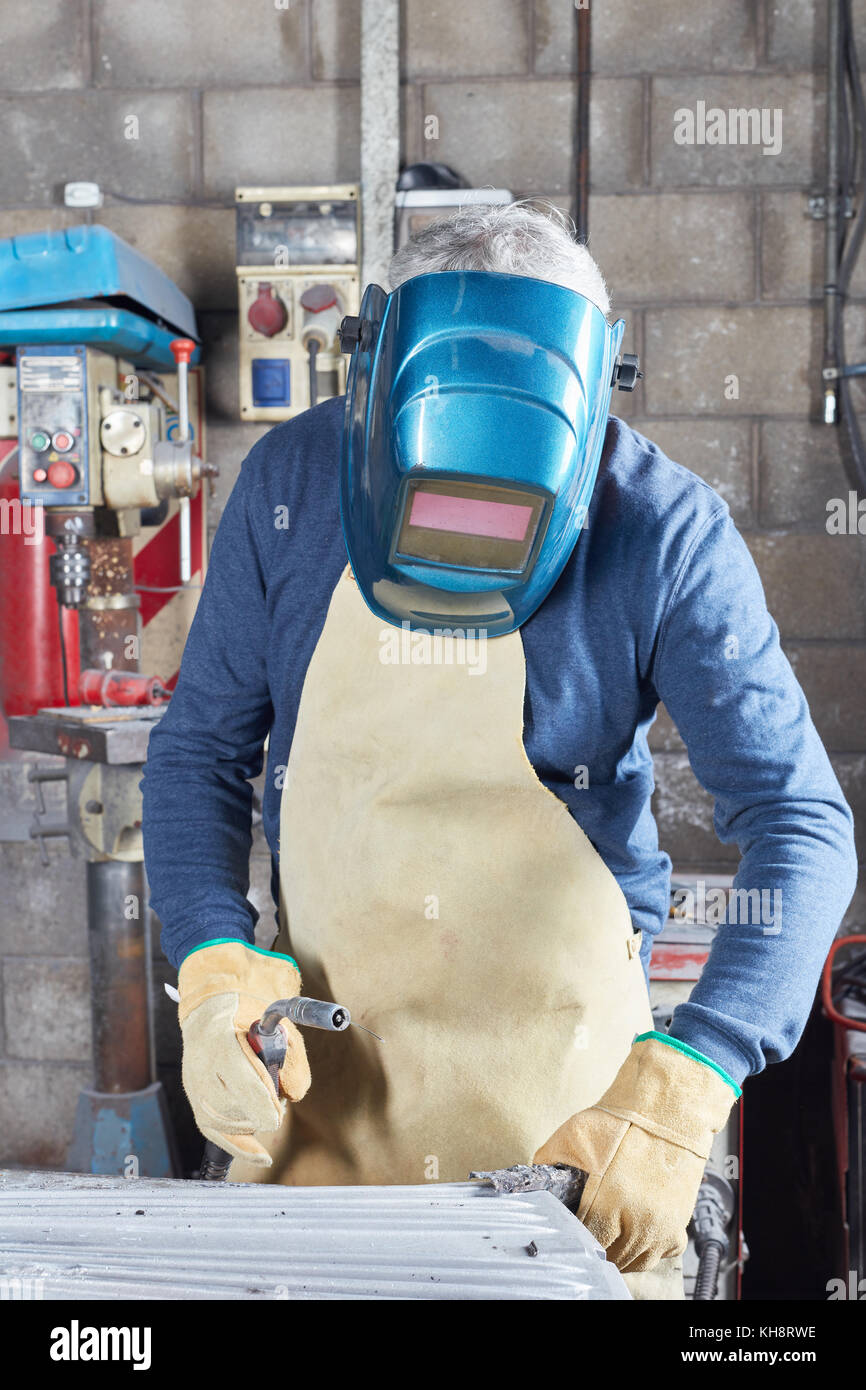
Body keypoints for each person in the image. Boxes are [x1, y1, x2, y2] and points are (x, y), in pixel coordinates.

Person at [142, 203, 857, 1300]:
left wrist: (692, 1075)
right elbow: (197, 752)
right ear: (372, 374)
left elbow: (799, 823)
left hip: (571, 1113)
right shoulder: (288, 485)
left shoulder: (663, 528)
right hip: (320, 1078)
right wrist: (210, 964)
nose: (459, 554)